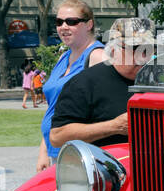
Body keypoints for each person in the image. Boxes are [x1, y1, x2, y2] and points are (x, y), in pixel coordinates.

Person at [49, 18, 154, 151]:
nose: (143, 56)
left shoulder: (162, 81)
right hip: (108, 168)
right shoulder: (84, 83)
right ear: (113, 50)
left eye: (149, 48)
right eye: (135, 48)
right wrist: (115, 126)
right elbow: (57, 137)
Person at [38, 0, 104, 172]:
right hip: (56, 149)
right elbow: (54, 109)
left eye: (71, 22)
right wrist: (43, 151)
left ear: (89, 24)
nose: (63, 27)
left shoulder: (98, 57)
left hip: (82, 153)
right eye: (59, 22)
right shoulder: (63, 58)